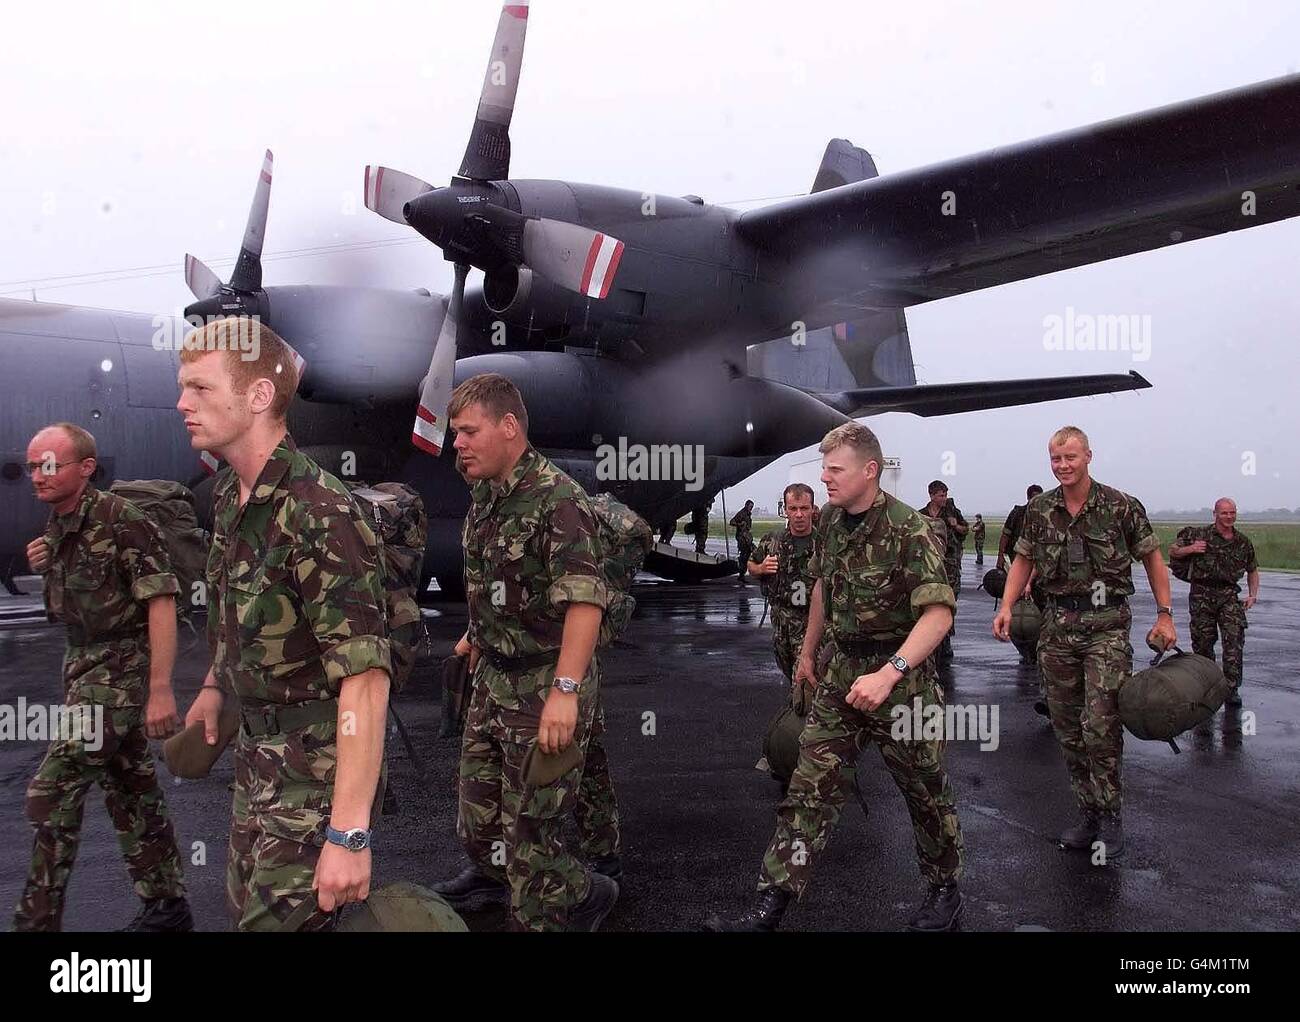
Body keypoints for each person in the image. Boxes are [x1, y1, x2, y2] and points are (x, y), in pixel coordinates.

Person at [705, 422, 964, 932]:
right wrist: (806, 654)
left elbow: (938, 615)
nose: (824, 477)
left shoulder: (911, 530)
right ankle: (771, 903)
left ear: (869, 471)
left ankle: (943, 889)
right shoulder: (827, 521)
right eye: (824, 467)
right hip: (841, 672)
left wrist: (890, 674)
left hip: (902, 682)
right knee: (808, 788)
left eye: (835, 469)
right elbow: (823, 586)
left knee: (925, 792)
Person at [178, 317, 392, 931]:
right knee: (244, 910)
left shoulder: (319, 511)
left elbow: (366, 679)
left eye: (199, 388)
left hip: (316, 772)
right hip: (257, 763)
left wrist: (349, 832)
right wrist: (216, 690)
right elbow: (234, 616)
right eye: (183, 387)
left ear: (259, 396)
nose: (182, 403)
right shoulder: (228, 497)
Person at [432, 373, 617, 932]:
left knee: (534, 832)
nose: (457, 444)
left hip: (545, 683)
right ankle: (494, 876)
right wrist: (473, 634)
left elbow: (585, 602)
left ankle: (579, 895)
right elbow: (492, 580)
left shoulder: (559, 502)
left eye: (468, 431)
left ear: (509, 427)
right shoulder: (485, 497)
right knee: (476, 819)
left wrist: (565, 692)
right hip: (493, 679)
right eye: (455, 433)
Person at [13, 423, 191, 933]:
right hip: (83, 668)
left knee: (50, 790)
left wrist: (160, 689)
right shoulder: (58, 526)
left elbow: (161, 601)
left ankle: (36, 923)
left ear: (85, 468)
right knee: (130, 787)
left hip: (120, 671)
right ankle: (168, 908)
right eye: (32, 466)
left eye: (49, 464)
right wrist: (42, 560)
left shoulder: (122, 520)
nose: (37, 476)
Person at [993, 426, 1175, 861]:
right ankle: (1088, 812)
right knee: (1067, 726)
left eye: (1070, 457)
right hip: (1056, 626)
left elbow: (1151, 555)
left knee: (1100, 724)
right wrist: (1005, 605)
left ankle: (1111, 815)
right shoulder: (1040, 510)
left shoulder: (1120, 506)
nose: (1062, 466)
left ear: (1088, 456)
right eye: (1055, 459)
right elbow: (1023, 559)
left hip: (1106, 626)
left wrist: (1166, 615)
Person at [1170, 498, 1259, 707]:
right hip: (1202, 595)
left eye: (1232, 513)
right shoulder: (1198, 534)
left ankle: (1231, 688)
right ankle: (1206, 687)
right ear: (1215, 514)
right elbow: (1173, 551)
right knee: (1203, 644)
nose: (1229, 517)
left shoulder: (1243, 542)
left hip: (1228, 595)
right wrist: (1190, 549)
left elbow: (1252, 569)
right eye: (1224, 513)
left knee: (1234, 640)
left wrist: (1252, 594)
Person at [749, 484, 819, 685]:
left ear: (813, 510)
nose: (798, 514)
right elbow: (751, 564)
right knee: (791, 677)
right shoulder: (772, 541)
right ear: (785, 510)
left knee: (805, 683)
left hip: (811, 625)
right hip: (781, 625)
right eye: (793, 508)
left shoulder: (823, 543)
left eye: (804, 508)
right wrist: (761, 568)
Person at [918, 481, 967, 665]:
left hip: (950, 566)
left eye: (945, 495)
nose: (944, 498)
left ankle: (945, 640)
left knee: (949, 603)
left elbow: (965, 530)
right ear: (931, 495)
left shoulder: (952, 512)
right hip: (929, 566)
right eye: (940, 495)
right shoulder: (921, 514)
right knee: (930, 604)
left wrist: (955, 526)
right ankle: (931, 641)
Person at [997, 485, 1044, 572]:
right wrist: (1000, 556)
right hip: (1018, 556)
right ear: (1028, 498)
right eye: (1034, 498)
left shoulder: (1046, 515)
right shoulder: (1017, 514)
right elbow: (1005, 535)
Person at [731, 500, 755, 583]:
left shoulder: (748, 514)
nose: (751, 508)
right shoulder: (741, 513)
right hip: (742, 537)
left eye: (752, 507)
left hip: (747, 537)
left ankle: (742, 573)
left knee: (747, 554)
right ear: (746, 505)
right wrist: (740, 524)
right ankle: (741, 574)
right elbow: (732, 522)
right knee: (744, 556)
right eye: (750, 507)